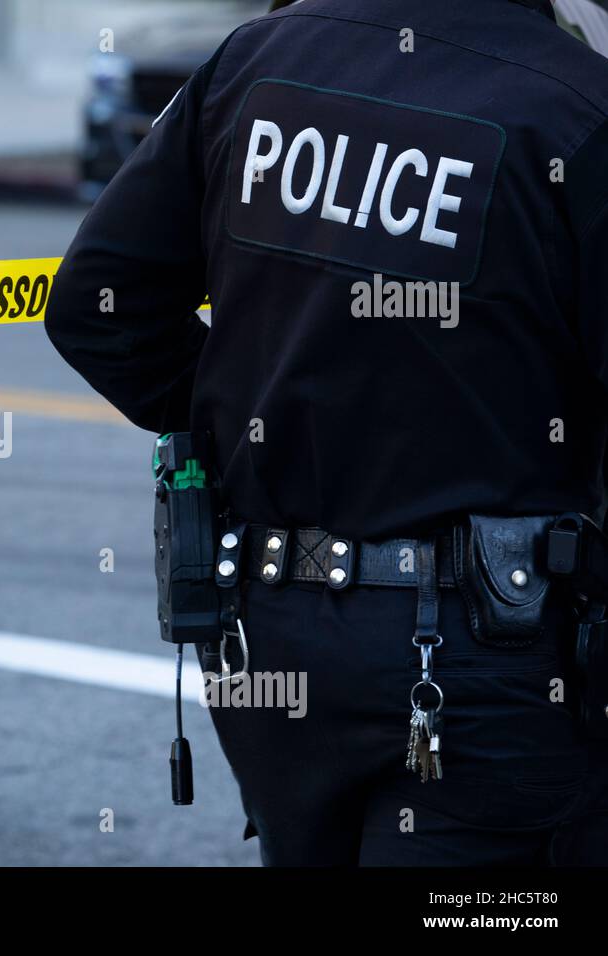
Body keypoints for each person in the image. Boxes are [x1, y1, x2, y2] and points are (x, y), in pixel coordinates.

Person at [45, 0, 608, 865]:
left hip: (268, 637)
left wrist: (248, 427)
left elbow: (99, 305)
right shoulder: (576, 110)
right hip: (496, 662)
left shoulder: (258, 62)